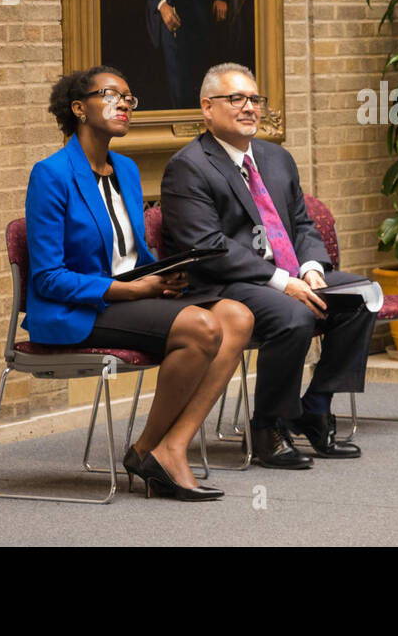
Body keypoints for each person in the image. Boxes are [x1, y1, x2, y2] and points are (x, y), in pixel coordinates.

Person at [24, 65, 254, 500]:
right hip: (80, 308)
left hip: (133, 296)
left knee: (238, 317)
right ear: (79, 108)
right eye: (112, 94)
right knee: (202, 328)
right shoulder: (50, 175)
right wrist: (133, 290)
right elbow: (48, 278)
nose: (125, 104)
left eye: (130, 97)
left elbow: (133, 256)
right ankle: (150, 449)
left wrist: (164, 273)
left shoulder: (126, 170)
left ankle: (169, 446)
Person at [160, 63, 377, 468]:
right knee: (292, 314)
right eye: (236, 99)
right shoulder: (189, 166)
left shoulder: (276, 158)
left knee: (361, 295)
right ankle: (268, 428)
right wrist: (283, 282)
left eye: (254, 99)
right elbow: (208, 246)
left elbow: (300, 222)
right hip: (222, 285)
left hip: (287, 276)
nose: (249, 108)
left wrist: (311, 267)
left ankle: (315, 406)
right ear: (207, 108)